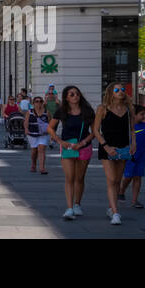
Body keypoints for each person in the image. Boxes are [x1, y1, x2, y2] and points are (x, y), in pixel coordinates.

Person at [49, 84, 94, 220]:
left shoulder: (87, 111)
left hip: (84, 147)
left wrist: (83, 142)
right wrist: (60, 141)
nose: (75, 96)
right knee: (69, 178)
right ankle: (69, 208)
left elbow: (95, 131)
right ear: (66, 98)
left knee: (79, 178)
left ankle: (77, 204)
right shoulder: (61, 110)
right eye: (72, 94)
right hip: (68, 147)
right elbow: (50, 128)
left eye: (77, 94)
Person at [94, 83, 134, 225]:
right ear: (110, 92)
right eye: (116, 90)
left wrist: (133, 143)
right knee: (111, 179)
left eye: (122, 89)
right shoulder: (102, 108)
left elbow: (132, 128)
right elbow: (95, 130)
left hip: (123, 147)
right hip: (107, 147)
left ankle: (112, 207)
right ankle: (116, 213)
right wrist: (105, 146)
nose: (120, 92)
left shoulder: (129, 108)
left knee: (117, 180)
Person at [121, 104, 145, 208]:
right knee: (128, 176)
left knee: (138, 177)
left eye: (144, 114)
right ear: (133, 115)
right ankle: (121, 191)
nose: (144, 116)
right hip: (129, 156)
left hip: (141, 156)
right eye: (141, 114)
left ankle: (134, 200)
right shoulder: (127, 126)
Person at [25, 95, 51, 173]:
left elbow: (51, 122)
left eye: (40, 101)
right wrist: (26, 129)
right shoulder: (30, 112)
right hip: (32, 133)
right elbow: (26, 121)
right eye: (37, 101)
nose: (39, 103)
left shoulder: (46, 112)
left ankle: (42, 168)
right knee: (34, 151)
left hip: (44, 134)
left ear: (43, 103)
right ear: (33, 103)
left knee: (41, 148)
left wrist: (52, 132)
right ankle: (33, 164)